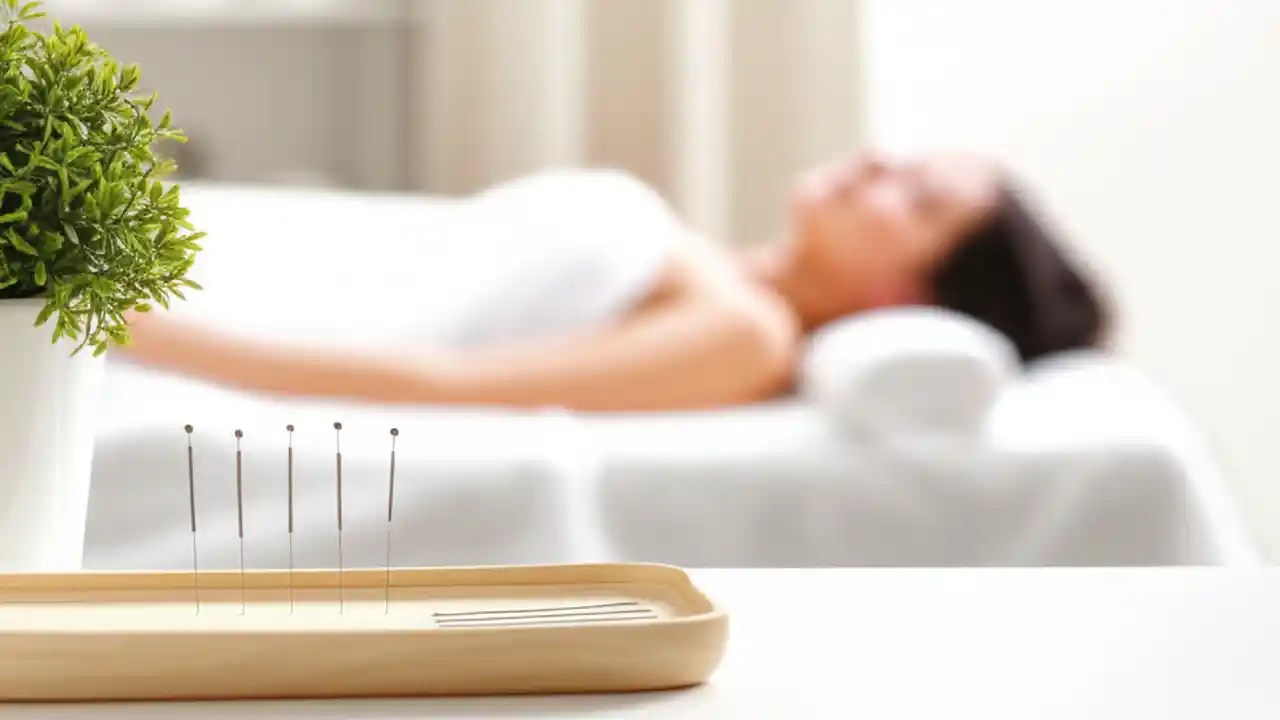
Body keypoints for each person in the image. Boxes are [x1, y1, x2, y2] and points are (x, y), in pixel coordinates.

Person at [122, 150, 1107, 411]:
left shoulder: (742, 334)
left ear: (906, 298)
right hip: (229, 278)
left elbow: (439, 387)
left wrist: (131, 327)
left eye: (917, 198)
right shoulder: (710, 262)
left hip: (194, 336)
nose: (877, 160)